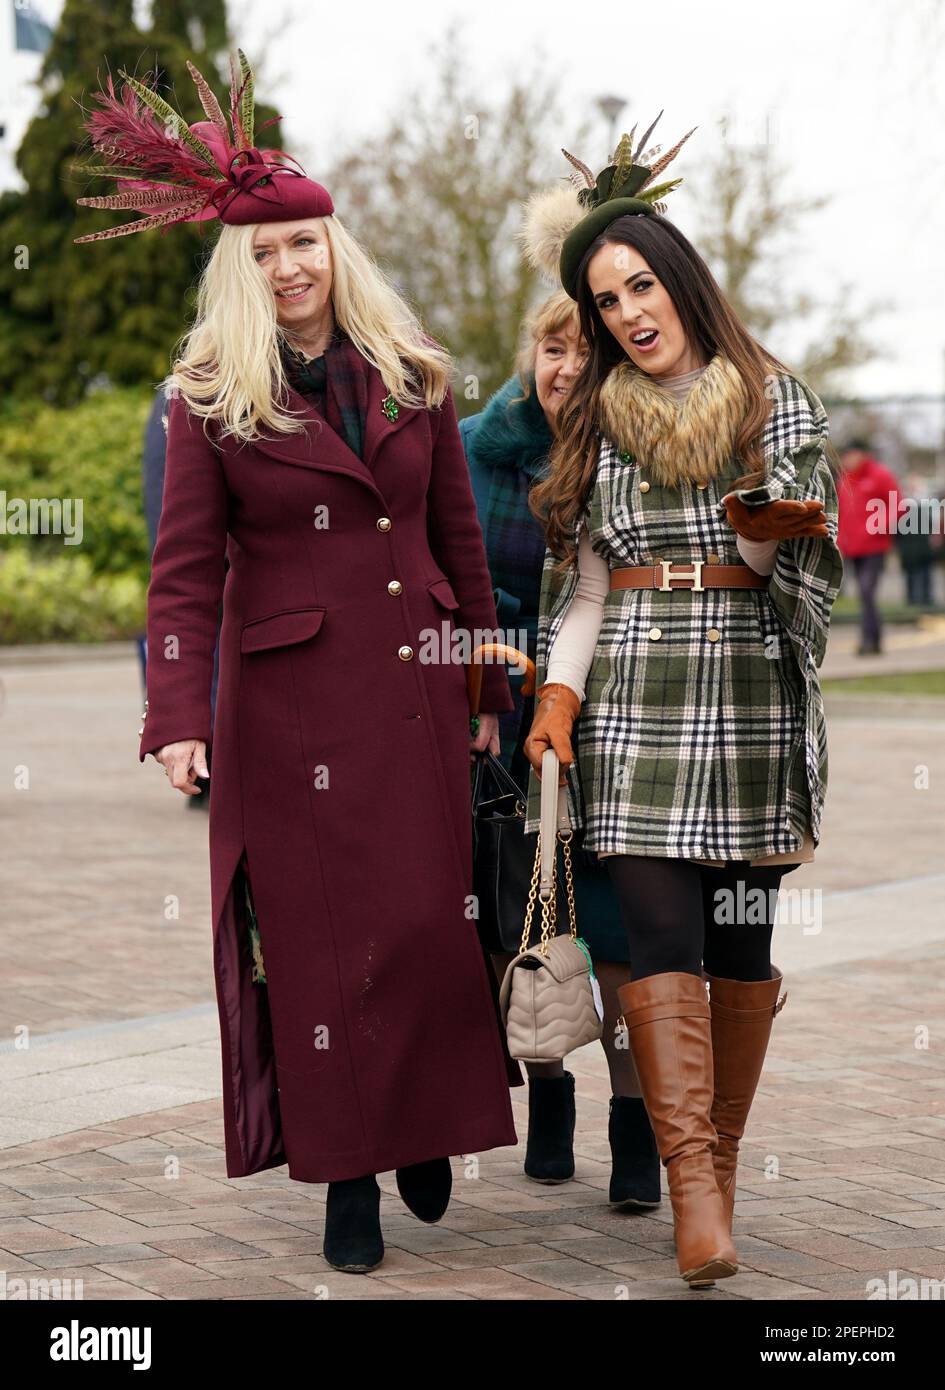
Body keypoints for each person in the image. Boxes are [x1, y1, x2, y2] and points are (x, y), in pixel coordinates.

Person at [74, 51, 520, 1275]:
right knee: (324, 949)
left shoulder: (416, 372)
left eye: (303, 246)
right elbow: (182, 572)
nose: (288, 268)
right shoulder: (211, 395)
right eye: (262, 254)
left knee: (433, 926)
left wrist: (488, 680)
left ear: (336, 249)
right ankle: (348, 1181)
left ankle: (428, 1126)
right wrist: (176, 714)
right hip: (290, 713)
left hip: (421, 696)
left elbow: (459, 544)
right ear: (241, 269)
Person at [517, 120, 843, 1286]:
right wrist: (557, 691)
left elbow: (787, 570)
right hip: (637, 701)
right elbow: (592, 576)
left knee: (740, 954)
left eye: (639, 286)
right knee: (654, 939)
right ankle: (694, 1199)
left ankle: (719, 1167)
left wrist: (765, 535)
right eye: (605, 303)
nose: (626, 315)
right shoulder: (598, 419)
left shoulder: (774, 397)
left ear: (680, 279)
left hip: (746, 697)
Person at [460, 290, 660, 1206]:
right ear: (528, 351)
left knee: (615, 933)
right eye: (551, 346)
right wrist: (488, 683)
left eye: (585, 351)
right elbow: (446, 593)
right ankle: (547, 1093)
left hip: (614, 728)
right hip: (507, 726)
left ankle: (633, 1128)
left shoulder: (637, 456)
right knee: (527, 916)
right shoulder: (472, 451)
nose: (566, 367)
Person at [836, 438, 901, 653]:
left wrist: (879, 525)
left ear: (862, 454)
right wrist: (840, 541)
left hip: (874, 547)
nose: (847, 460)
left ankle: (869, 640)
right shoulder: (844, 481)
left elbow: (898, 505)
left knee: (866, 590)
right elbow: (841, 514)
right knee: (864, 595)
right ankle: (873, 639)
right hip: (853, 548)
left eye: (851, 455)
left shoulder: (880, 475)